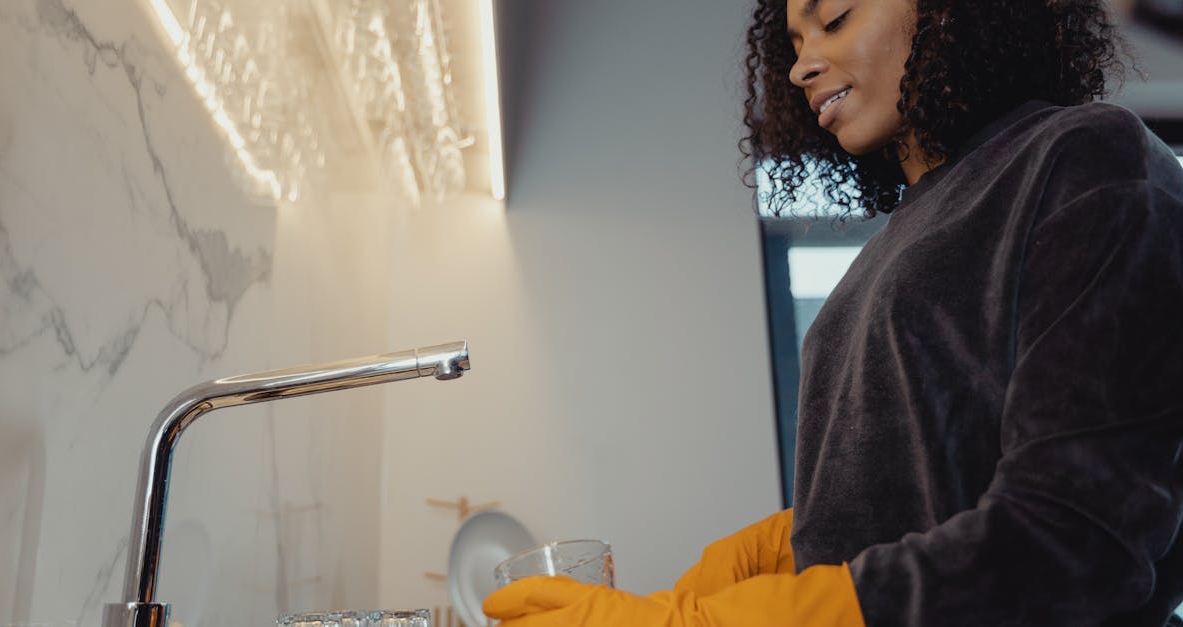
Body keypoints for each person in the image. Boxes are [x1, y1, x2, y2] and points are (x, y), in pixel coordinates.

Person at [482, 0, 1183, 624]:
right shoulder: (893, 245)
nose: (800, 68)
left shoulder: (1088, 157)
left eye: (835, 19)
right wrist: (788, 549)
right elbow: (934, 482)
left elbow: (1075, 539)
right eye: (792, 41)